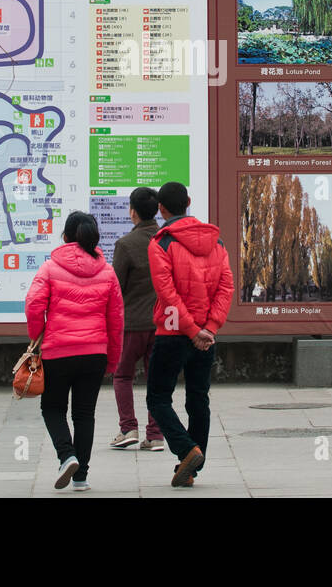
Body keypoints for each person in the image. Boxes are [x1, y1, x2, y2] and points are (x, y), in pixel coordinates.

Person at [25, 211, 123, 492]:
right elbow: (116, 319)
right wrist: (112, 359)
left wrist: (36, 335)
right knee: (84, 414)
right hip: (94, 353)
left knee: (52, 408)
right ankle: (81, 476)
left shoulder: (50, 267)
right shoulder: (107, 272)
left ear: (66, 237)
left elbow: (33, 304)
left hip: (58, 351)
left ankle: (66, 455)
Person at [145, 181, 234, 488]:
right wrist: (209, 328)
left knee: (157, 398)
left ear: (161, 208)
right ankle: (192, 468)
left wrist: (192, 329)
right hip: (205, 337)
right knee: (198, 399)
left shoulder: (162, 244)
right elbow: (226, 288)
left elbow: (167, 293)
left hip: (172, 332)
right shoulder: (217, 243)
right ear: (189, 202)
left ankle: (186, 450)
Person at [108, 187, 165, 451]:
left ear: (133, 211)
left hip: (131, 323)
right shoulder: (167, 240)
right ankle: (155, 435)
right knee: (157, 378)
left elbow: (115, 286)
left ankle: (128, 427)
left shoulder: (126, 245)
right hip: (163, 322)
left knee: (122, 376)